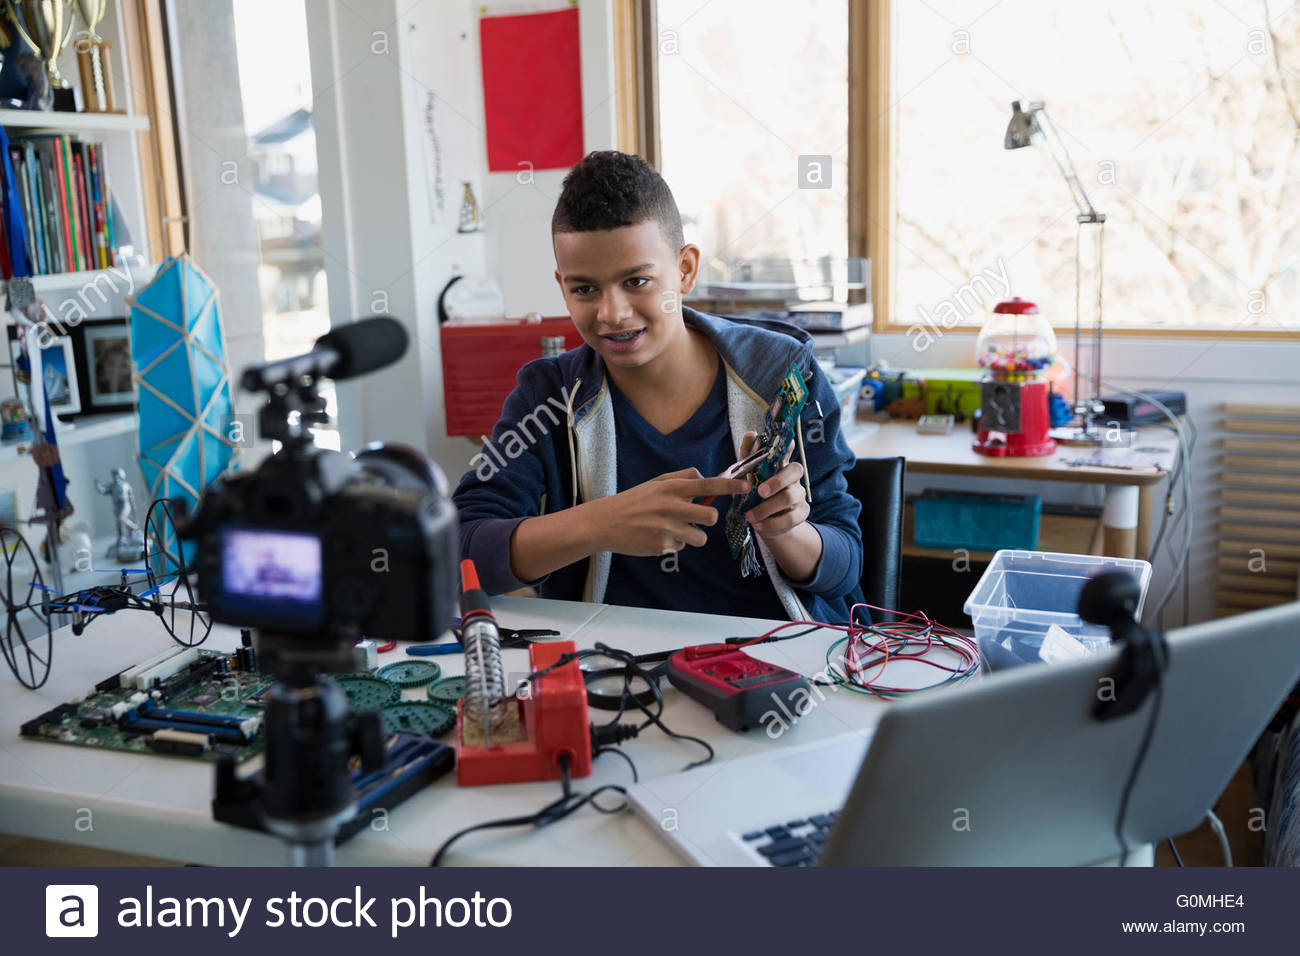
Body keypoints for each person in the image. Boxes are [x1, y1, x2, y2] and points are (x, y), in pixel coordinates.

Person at [452, 150, 863, 622]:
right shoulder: (548, 397)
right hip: (619, 668)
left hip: (778, 659)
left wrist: (786, 533)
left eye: (637, 281)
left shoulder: (785, 375)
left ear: (685, 270)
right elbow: (458, 551)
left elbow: (845, 566)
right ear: (562, 286)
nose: (612, 313)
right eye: (584, 289)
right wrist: (598, 524)